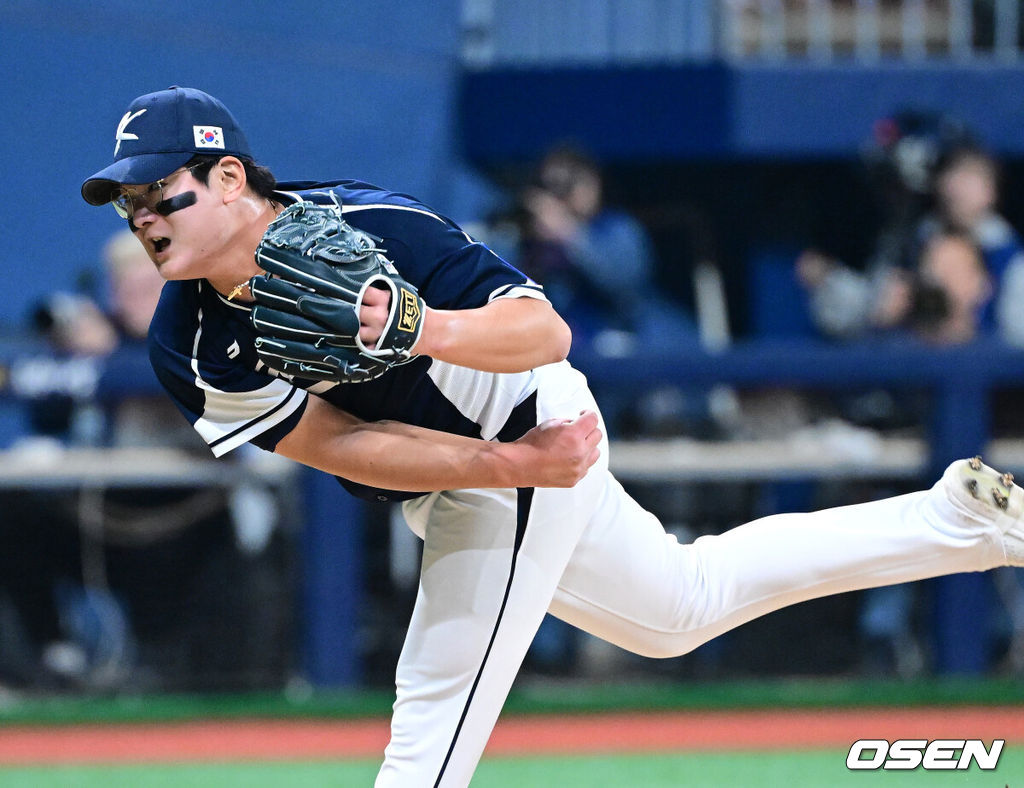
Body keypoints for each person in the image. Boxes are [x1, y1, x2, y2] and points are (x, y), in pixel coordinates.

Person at [80, 86, 1024, 787]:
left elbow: (544, 331)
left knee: (435, 702)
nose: (145, 218)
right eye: (130, 204)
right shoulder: (188, 343)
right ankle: (958, 524)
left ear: (230, 176)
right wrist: (505, 467)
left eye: (162, 194)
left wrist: (425, 332)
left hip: (523, 406)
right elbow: (337, 447)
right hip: (480, 462)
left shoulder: (368, 224)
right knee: (679, 608)